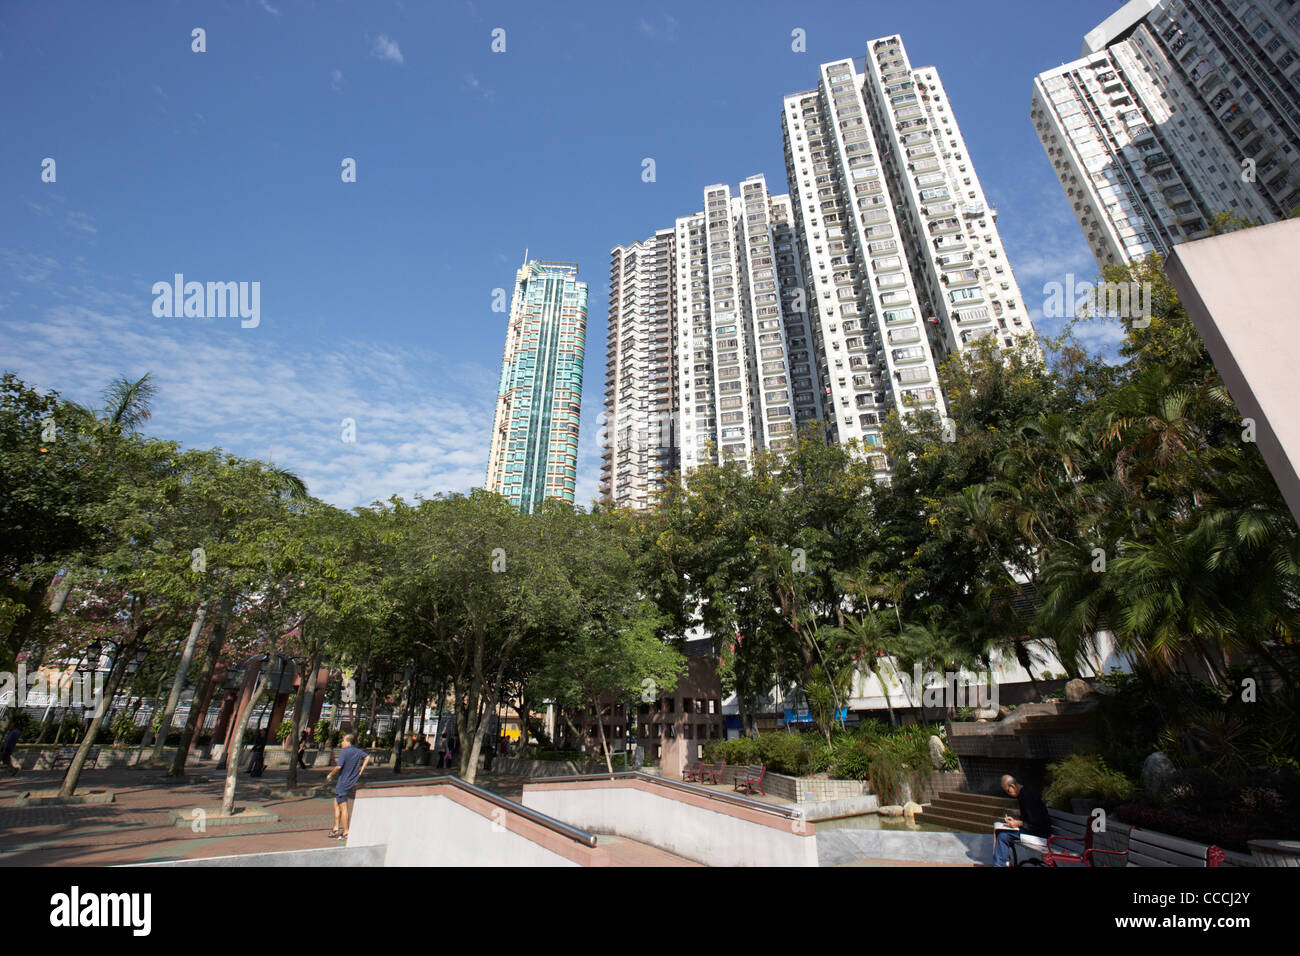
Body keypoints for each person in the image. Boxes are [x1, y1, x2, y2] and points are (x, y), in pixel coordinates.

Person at [993, 774, 1051, 866]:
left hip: (1040, 836)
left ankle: (1000, 864)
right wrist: (1015, 821)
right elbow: (1030, 819)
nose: (1008, 794)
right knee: (1002, 833)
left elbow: (1037, 824)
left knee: (1002, 835)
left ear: (1013, 786)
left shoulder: (1028, 796)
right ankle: (1003, 863)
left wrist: (1019, 823)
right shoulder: (1025, 793)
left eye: (1008, 791)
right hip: (1036, 832)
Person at [324, 733, 370, 840]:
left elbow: (338, 766)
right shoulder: (357, 751)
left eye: (343, 741)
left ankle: (346, 831)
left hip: (343, 782)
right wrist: (361, 770)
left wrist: (330, 774)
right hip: (349, 781)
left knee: (343, 807)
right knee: (336, 803)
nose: (341, 743)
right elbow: (367, 757)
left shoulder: (345, 752)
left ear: (347, 742)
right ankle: (336, 828)